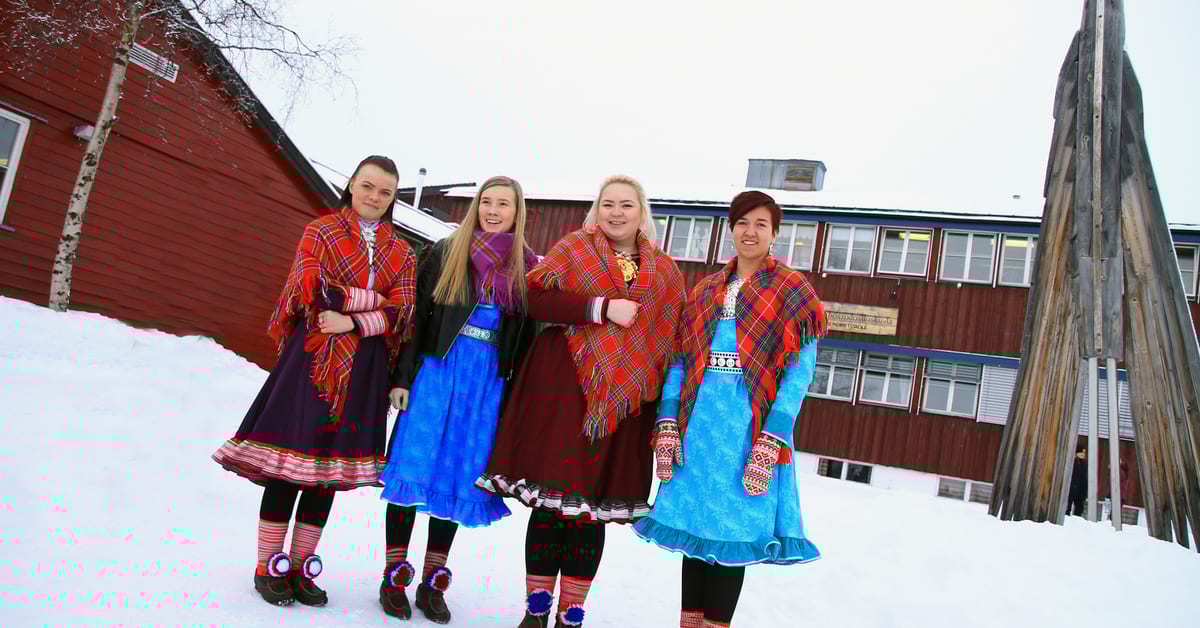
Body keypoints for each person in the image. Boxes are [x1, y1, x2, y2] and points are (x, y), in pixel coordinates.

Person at [478, 175, 686, 627]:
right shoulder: (574, 248)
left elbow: (673, 335)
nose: (616, 212)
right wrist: (599, 307)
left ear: (641, 212)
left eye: (626, 205)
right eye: (607, 203)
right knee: (554, 505)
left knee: (591, 512)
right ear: (597, 209)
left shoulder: (666, 271)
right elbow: (534, 298)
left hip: (625, 405)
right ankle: (536, 610)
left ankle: (571, 613)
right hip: (564, 393)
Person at [212, 155, 416, 607]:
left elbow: (403, 311)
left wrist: (352, 322)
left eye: (385, 192)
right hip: (313, 361)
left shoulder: (403, 251)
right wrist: (373, 302)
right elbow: (312, 288)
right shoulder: (320, 231)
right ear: (351, 185)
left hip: (363, 368)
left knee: (326, 471)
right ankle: (269, 565)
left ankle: (303, 565)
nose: (375, 197)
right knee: (289, 464)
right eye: (368, 186)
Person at [633, 191, 828, 627]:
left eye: (761, 223)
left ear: (775, 233)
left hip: (748, 429)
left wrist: (770, 440)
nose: (750, 231)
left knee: (732, 535)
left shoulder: (793, 292)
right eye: (742, 222)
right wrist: (668, 424)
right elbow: (681, 360)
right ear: (730, 228)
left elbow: (799, 374)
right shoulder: (704, 291)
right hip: (699, 428)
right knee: (696, 534)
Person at [376, 176, 539, 623]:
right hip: (438, 371)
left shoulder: (527, 267)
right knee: (416, 465)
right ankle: (394, 576)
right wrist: (403, 377)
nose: (492, 210)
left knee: (456, 474)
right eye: (486, 201)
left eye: (502, 204)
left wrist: (513, 401)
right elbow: (418, 320)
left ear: (516, 211)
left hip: (486, 382)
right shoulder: (448, 251)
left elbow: (526, 339)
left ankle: (433, 582)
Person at [1068, 446, 1087, 517]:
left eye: (1083, 453)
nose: (1083, 454)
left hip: (1080, 489)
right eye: (1081, 453)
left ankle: (1076, 521)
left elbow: (1085, 478)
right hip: (1072, 488)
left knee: (1079, 508)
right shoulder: (1073, 462)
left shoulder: (1084, 464)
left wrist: (1084, 491)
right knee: (1068, 506)